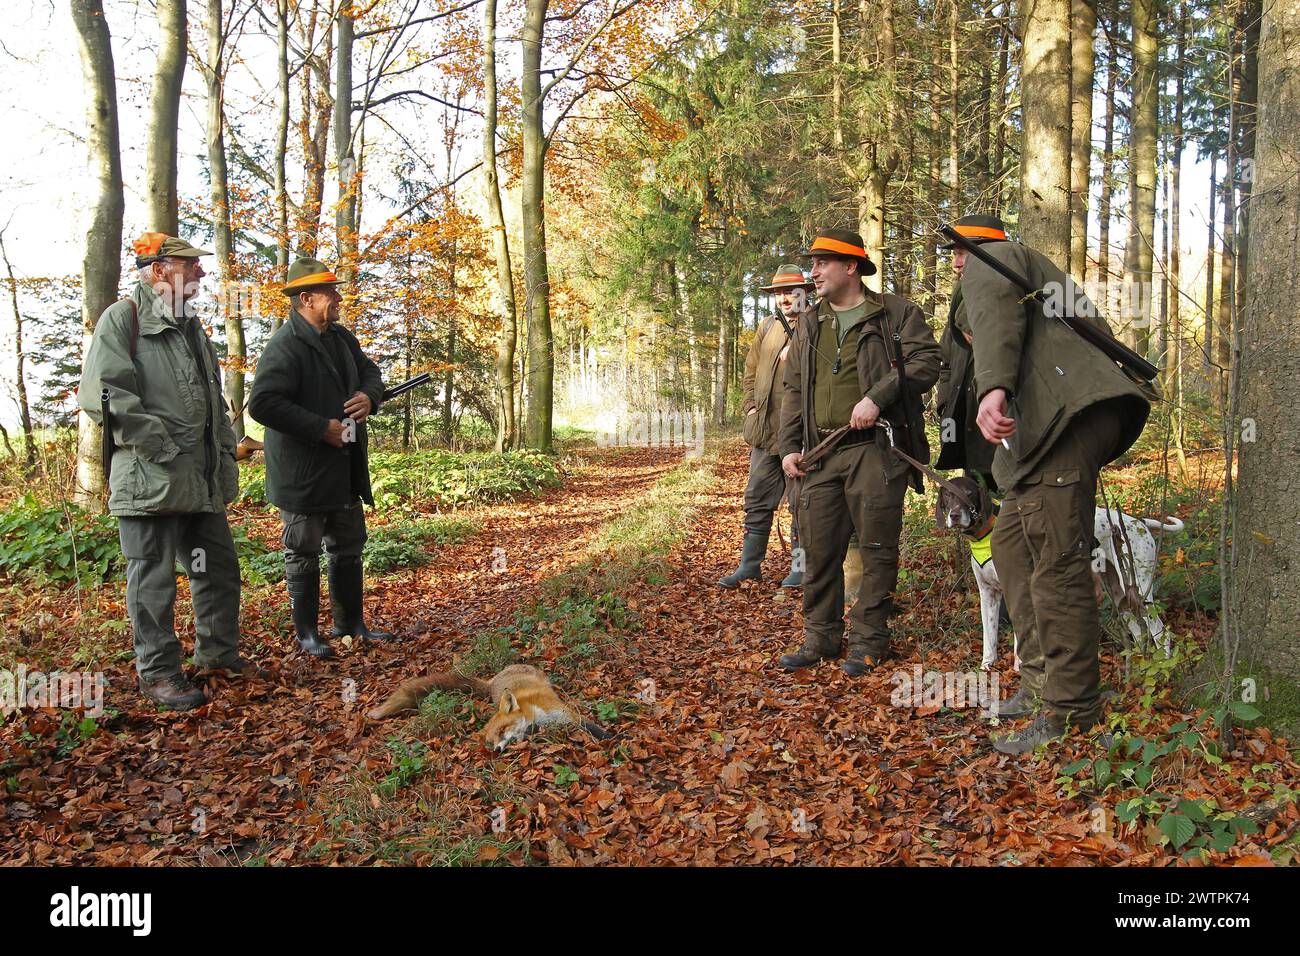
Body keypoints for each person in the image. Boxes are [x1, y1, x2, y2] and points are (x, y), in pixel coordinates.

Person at [958, 228, 1154, 753]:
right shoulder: (1033, 271)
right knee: (1012, 546)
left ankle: (1071, 711)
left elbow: (998, 316)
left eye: (955, 253)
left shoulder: (991, 258)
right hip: (1052, 431)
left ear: (965, 248)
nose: (955, 263)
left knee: (1056, 561)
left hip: (1064, 425)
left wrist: (993, 387)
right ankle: (1042, 679)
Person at [79, 232, 254, 711]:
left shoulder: (192, 327)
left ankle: (218, 656)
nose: (200, 272)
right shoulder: (123, 319)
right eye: (189, 265)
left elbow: (211, 404)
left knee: (214, 568)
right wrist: (159, 444)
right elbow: (104, 395)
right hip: (150, 481)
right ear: (159, 270)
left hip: (197, 481)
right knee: (153, 579)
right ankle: (158, 673)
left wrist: (221, 455)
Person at [777, 229, 940, 677]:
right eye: (813, 263)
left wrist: (879, 396)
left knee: (876, 550)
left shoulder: (896, 314)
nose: (813, 272)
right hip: (820, 455)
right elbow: (794, 390)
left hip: (876, 451)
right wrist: (789, 448)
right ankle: (821, 639)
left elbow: (928, 361)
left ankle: (870, 642)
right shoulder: (809, 322)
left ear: (851, 266)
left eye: (822, 263)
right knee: (818, 549)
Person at [248, 257, 392, 659]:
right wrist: (320, 428)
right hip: (303, 472)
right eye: (330, 292)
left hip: (343, 468)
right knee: (303, 550)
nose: (339, 297)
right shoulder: (284, 345)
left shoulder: (341, 337)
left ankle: (350, 624)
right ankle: (308, 635)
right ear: (306, 298)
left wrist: (370, 397)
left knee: (348, 545)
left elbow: (370, 373)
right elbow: (262, 404)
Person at [719, 264, 814, 589]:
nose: (785, 298)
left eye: (791, 291)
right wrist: (750, 408)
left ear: (805, 292)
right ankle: (749, 566)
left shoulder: (818, 324)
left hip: (801, 435)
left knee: (801, 504)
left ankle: (800, 569)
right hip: (764, 432)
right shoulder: (767, 327)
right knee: (757, 498)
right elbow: (750, 371)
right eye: (779, 293)